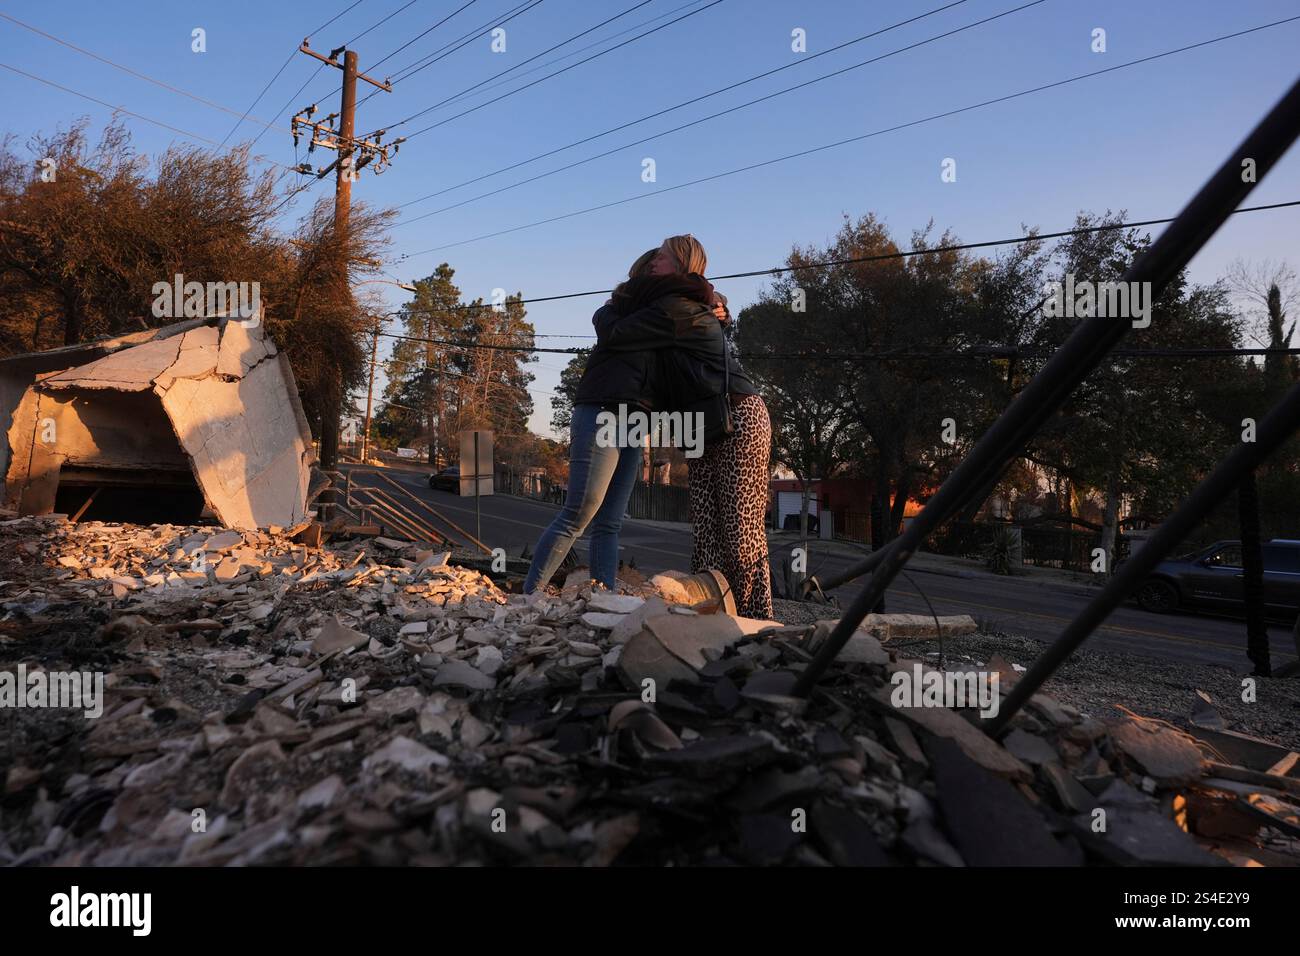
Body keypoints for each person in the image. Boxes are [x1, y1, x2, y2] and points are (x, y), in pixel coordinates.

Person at [597, 235, 774, 618]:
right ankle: (714, 615)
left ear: (679, 264)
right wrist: (719, 301)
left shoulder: (676, 308)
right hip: (696, 422)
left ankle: (756, 621)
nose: (653, 262)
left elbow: (615, 332)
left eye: (660, 257)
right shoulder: (678, 302)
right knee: (707, 530)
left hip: (737, 413)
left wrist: (608, 309)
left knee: (741, 532)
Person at [522, 249, 664, 593]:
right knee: (580, 511)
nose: (666, 270)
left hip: (637, 419)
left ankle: (604, 601)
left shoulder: (670, 314)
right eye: (659, 264)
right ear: (646, 271)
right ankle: (529, 597)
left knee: (610, 522)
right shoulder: (619, 309)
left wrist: (720, 310)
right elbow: (610, 327)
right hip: (602, 411)